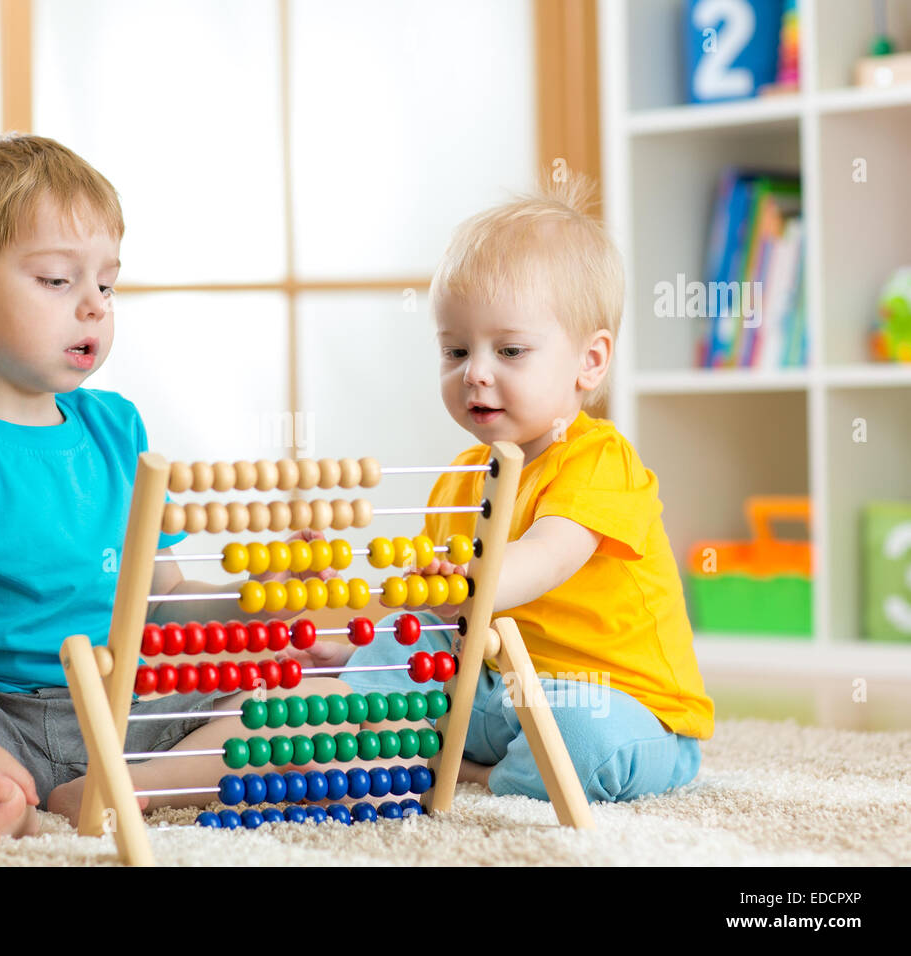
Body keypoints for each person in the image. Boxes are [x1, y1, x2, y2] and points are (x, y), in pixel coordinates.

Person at [0, 133, 344, 841]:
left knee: (321, 702)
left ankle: (116, 790)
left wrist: (264, 592)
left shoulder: (117, 429)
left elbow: (158, 597)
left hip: (123, 708)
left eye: (106, 284)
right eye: (57, 281)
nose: (96, 307)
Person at [281, 171, 714, 805]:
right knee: (397, 650)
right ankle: (463, 749)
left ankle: (478, 775)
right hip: (494, 686)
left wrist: (466, 577)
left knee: (579, 737)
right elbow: (426, 601)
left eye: (509, 351)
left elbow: (544, 556)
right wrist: (347, 624)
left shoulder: (601, 462)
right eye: (455, 351)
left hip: (614, 700)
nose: (475, 374)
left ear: (590, 362)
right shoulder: (461, 478)